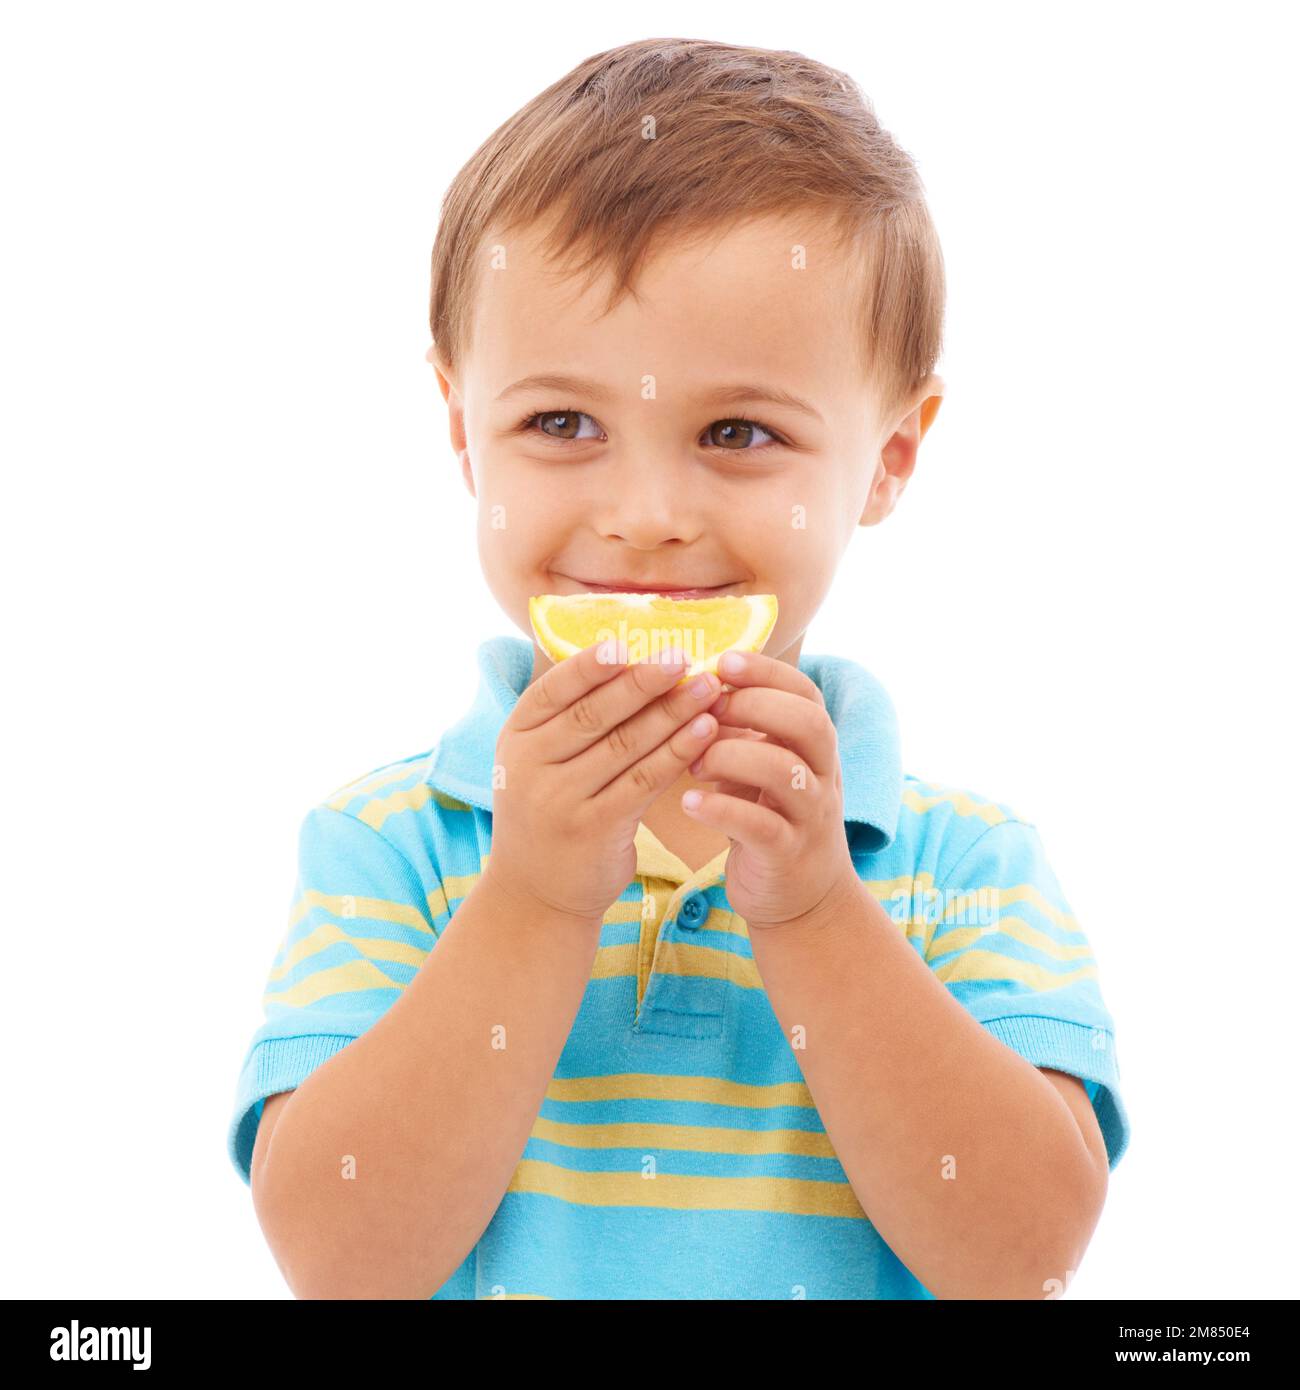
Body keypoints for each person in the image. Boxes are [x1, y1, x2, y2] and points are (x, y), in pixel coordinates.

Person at [227, 36, 1130, 1299]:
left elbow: (1022, 1261)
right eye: (561, 423)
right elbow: (339, 1260)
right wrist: (534, 898)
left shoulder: (962, 865)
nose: (645, 512)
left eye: (738, 431)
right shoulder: (392, 846)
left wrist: (815, 910)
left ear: (888, 459)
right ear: (460, 434)